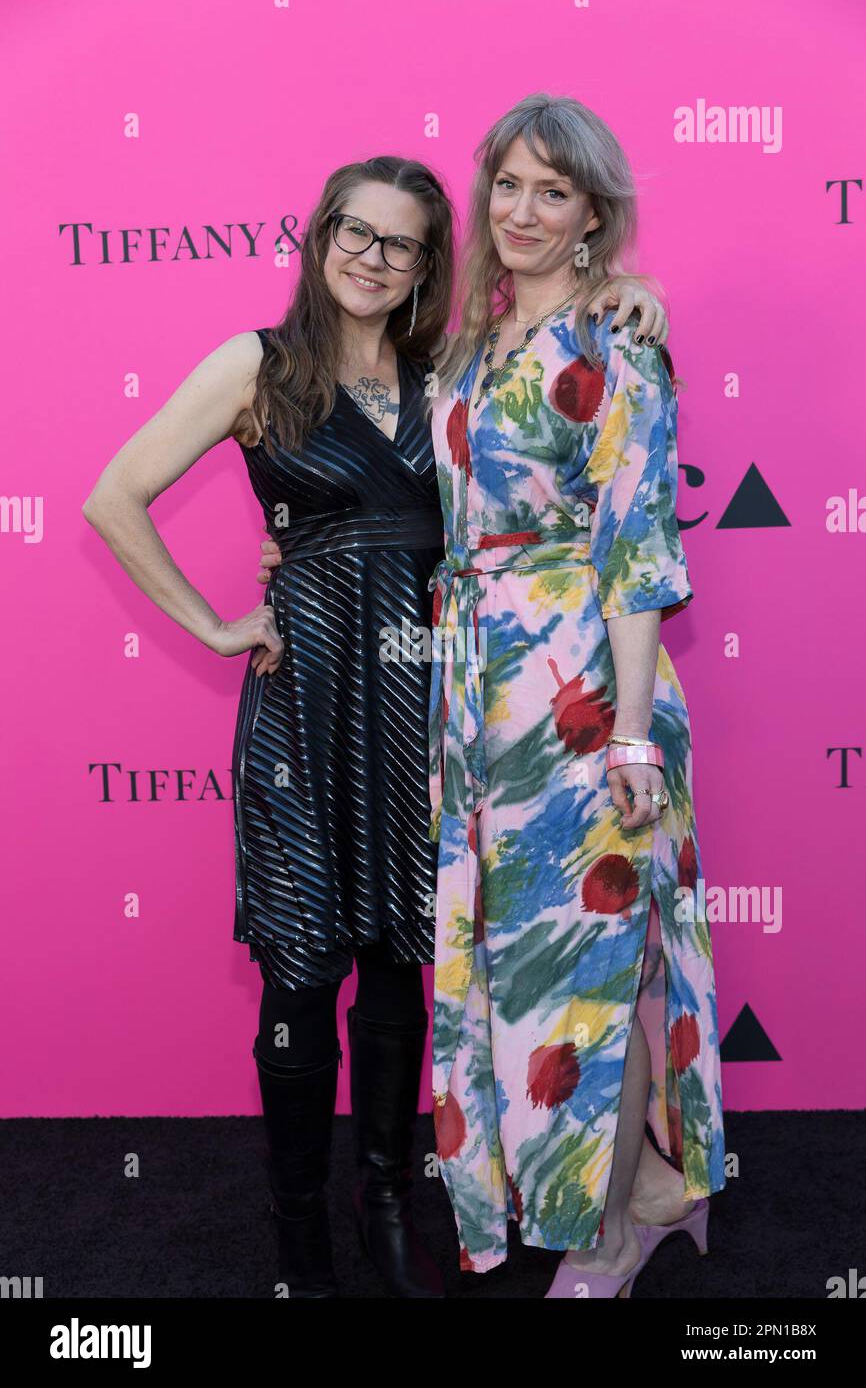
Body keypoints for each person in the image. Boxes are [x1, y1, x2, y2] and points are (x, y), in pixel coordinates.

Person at [83, 148, 669, 1299]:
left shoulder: (444, 368)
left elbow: (531, 443)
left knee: (406, 970)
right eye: (353, 231)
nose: (371, 257)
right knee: (302, 977)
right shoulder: (256, 367)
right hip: (305, 714)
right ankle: (298, 1231)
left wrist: (616, 292)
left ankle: (392, 1207)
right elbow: (115, 494)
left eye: (399, 243)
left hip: (431, 712)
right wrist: (213, 626)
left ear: (423, 266)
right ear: (319, 237)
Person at [425, 93, 727, 1297]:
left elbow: (635, 552)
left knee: (596, 964)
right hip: (474, 696)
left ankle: (613, 1226)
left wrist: (636, 733)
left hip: (585, 698)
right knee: (513, 963)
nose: (522, 210)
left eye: (554, 192)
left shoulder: (617, 346)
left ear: (593, 214)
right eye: (507, 183)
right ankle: (639, 1188)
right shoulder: (467, 348)